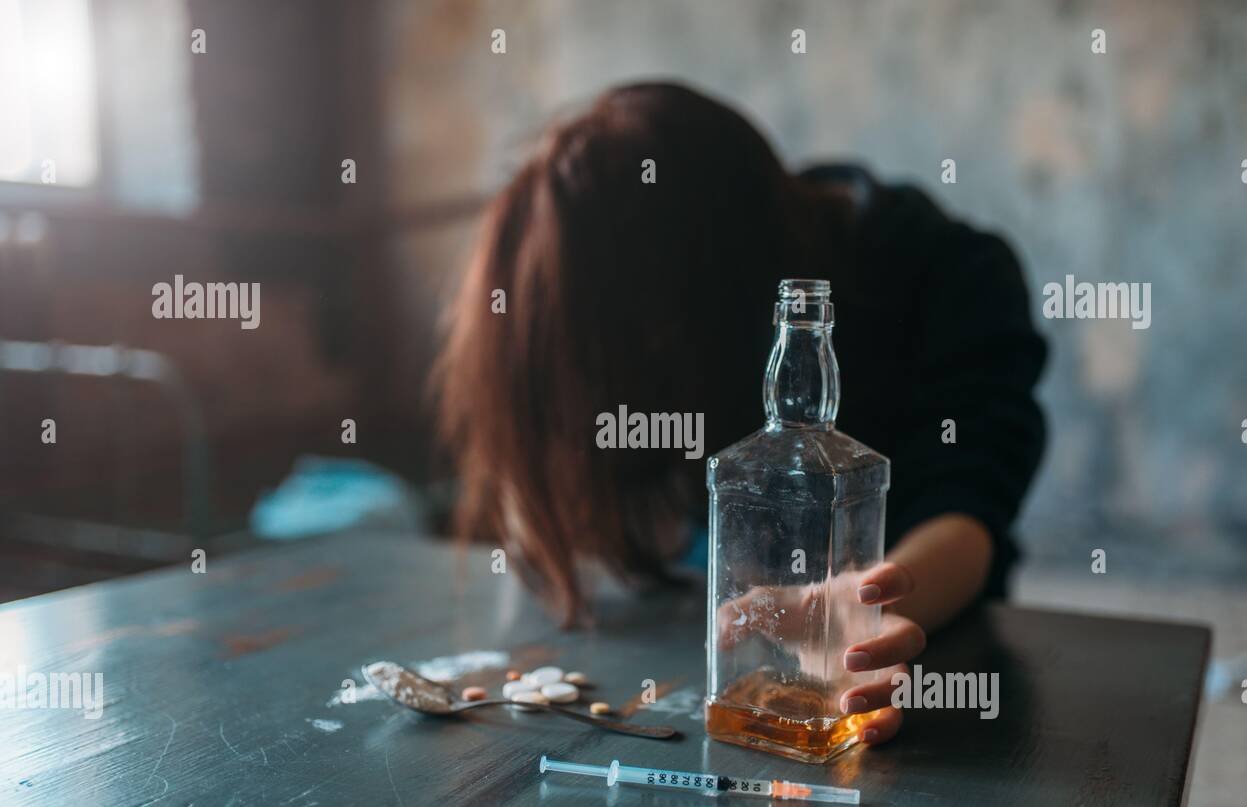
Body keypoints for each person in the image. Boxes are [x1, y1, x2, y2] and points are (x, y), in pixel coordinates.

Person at [435, 82, 1046, 745]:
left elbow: (967, 507)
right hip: (726, 646)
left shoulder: (955, 277)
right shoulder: (645, 276)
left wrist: (856, 612)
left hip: (930, 661)